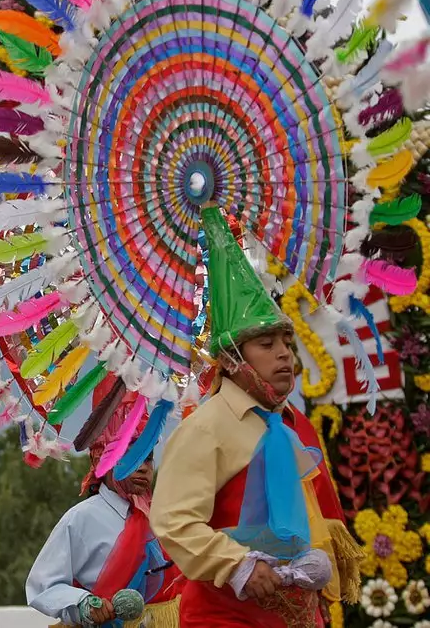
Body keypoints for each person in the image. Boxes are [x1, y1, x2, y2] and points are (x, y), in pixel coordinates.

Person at [150, 204, 362, 627]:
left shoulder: (292, 425)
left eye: (286, 340)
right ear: (231, 359)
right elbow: (172, 521)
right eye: (266, 343)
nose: (284, 352)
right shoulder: (206, 427)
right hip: (224, 618)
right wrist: (237, 564)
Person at [26, 378, 182, 628]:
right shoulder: (81, 517)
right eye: (130, 455)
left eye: (148, 457)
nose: (142, 467)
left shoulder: (164, 516)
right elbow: (42, 585)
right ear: (103, 460)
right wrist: (84, 603)